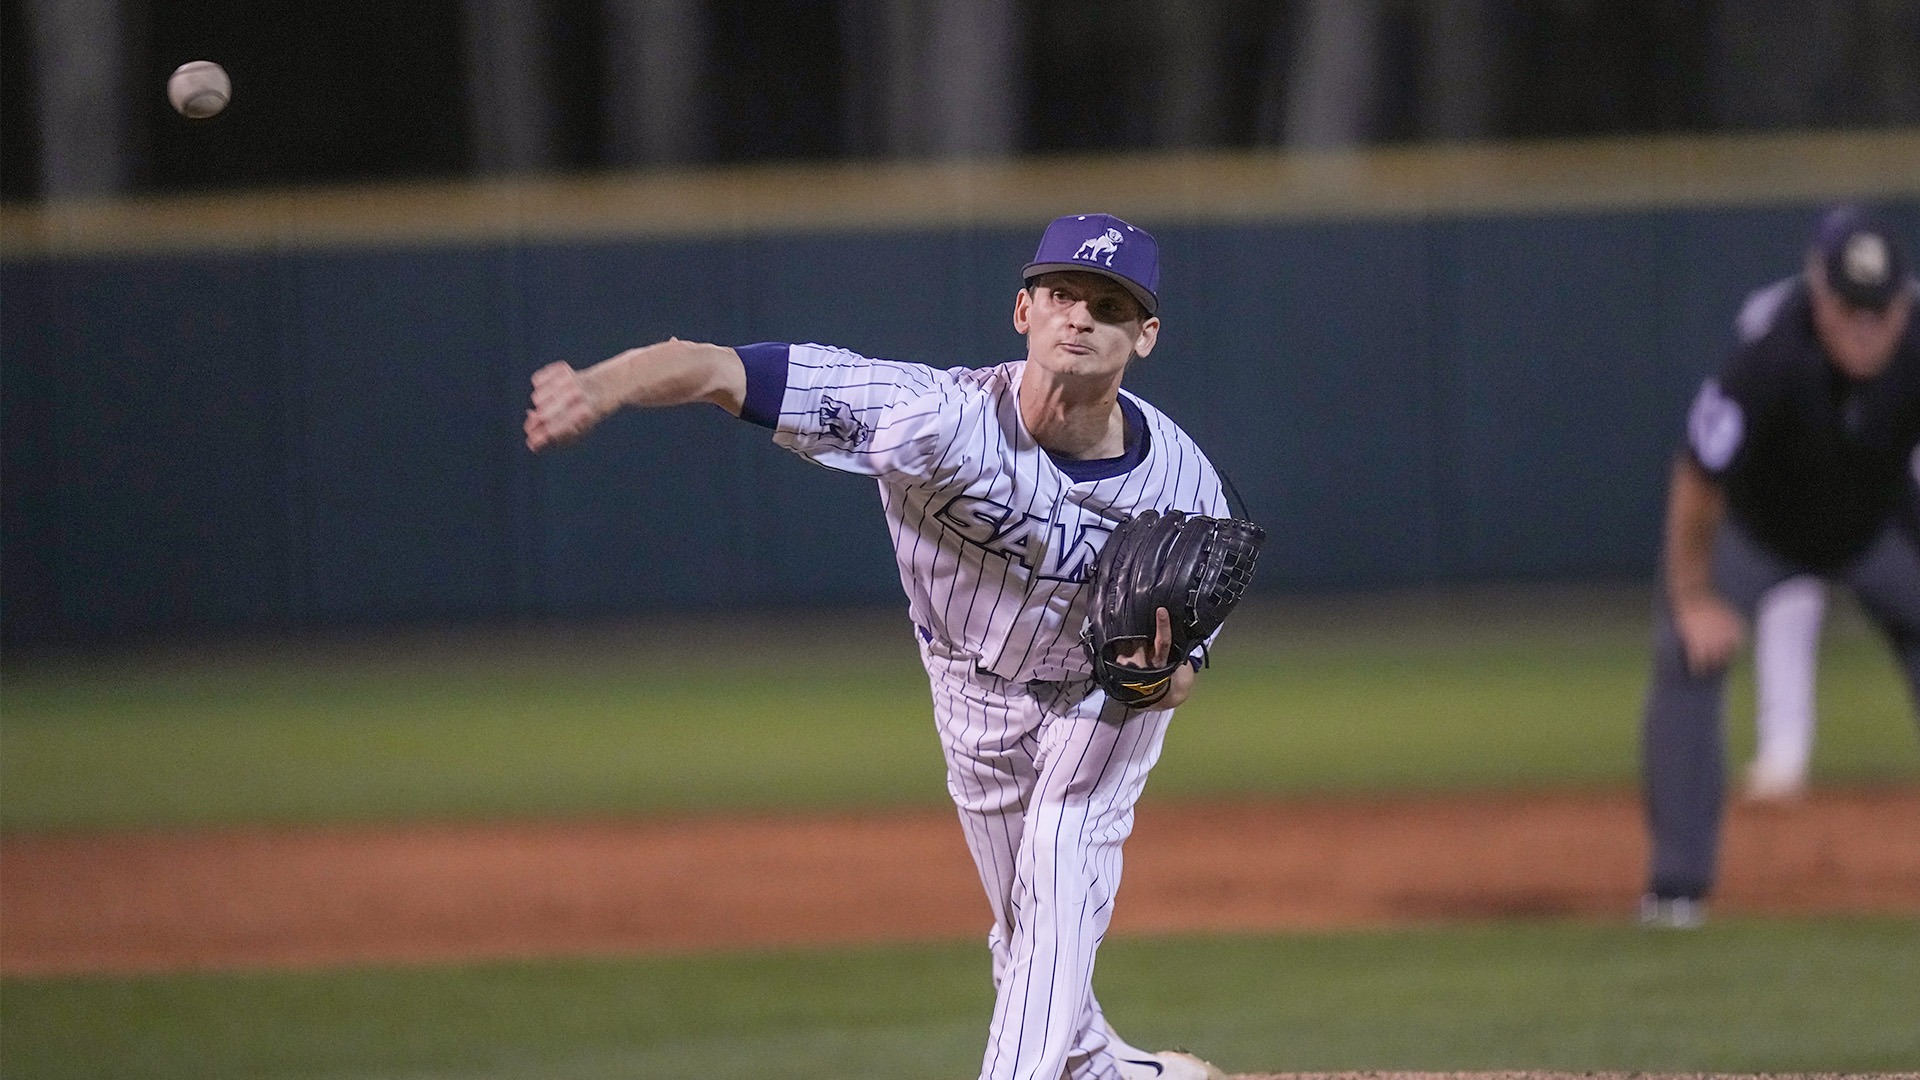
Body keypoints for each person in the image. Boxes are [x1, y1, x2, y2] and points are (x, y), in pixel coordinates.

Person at [525, 213, 1232, 1080]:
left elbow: (1183, 674)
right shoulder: (927, 415)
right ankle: (1120, 1073)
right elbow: (716, 368)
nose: (1080, 317)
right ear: (1024, 310)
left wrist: (1155, 679)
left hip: (1100, 698)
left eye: (1109, 306)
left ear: (1144, 335)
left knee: (1060, 863)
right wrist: (600, 386)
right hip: (966, 684)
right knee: (1029, 924)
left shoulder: (1186, 489)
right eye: (1062, 294)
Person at [1639, 205, 1920, 928]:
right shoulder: (1771, 359)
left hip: (1874, 531)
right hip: (1761, 534)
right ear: (1820, 295)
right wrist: (1692, 594)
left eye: (1881, 311)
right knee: (1686, 650)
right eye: (1850, 309)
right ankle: (1676, 889)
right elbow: (1698, 475)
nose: (1866, 328)